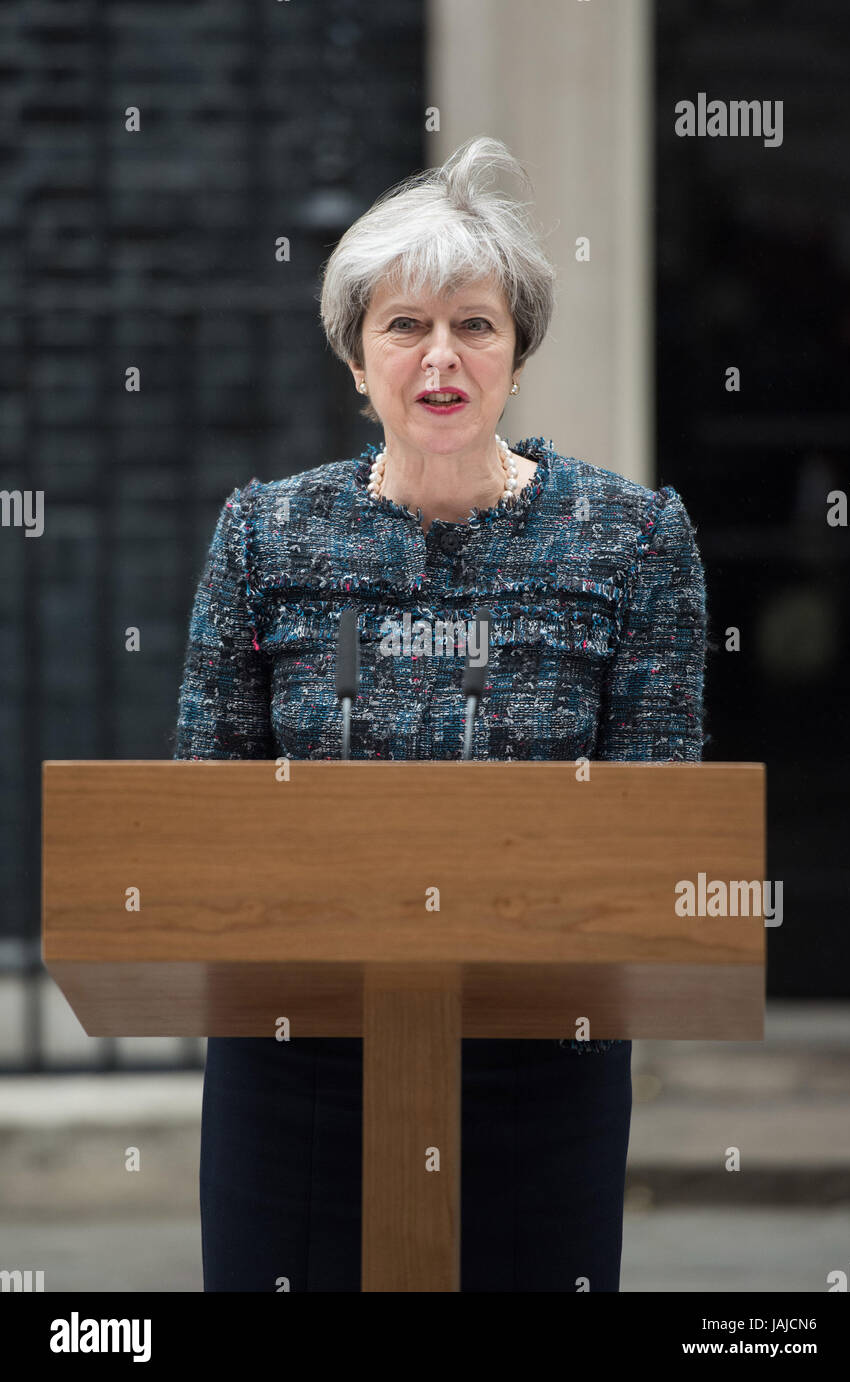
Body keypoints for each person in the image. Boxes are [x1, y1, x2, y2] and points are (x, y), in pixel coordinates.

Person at [173, 136, 708, 1291]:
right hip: (299, 1056)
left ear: (517, 356)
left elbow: (660, 824)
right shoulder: (269, 535)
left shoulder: (633, 539)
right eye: (404, 325)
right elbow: (204, 807)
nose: (441, 355)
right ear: (357, 363)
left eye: (475, 323)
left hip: (538, 1057)